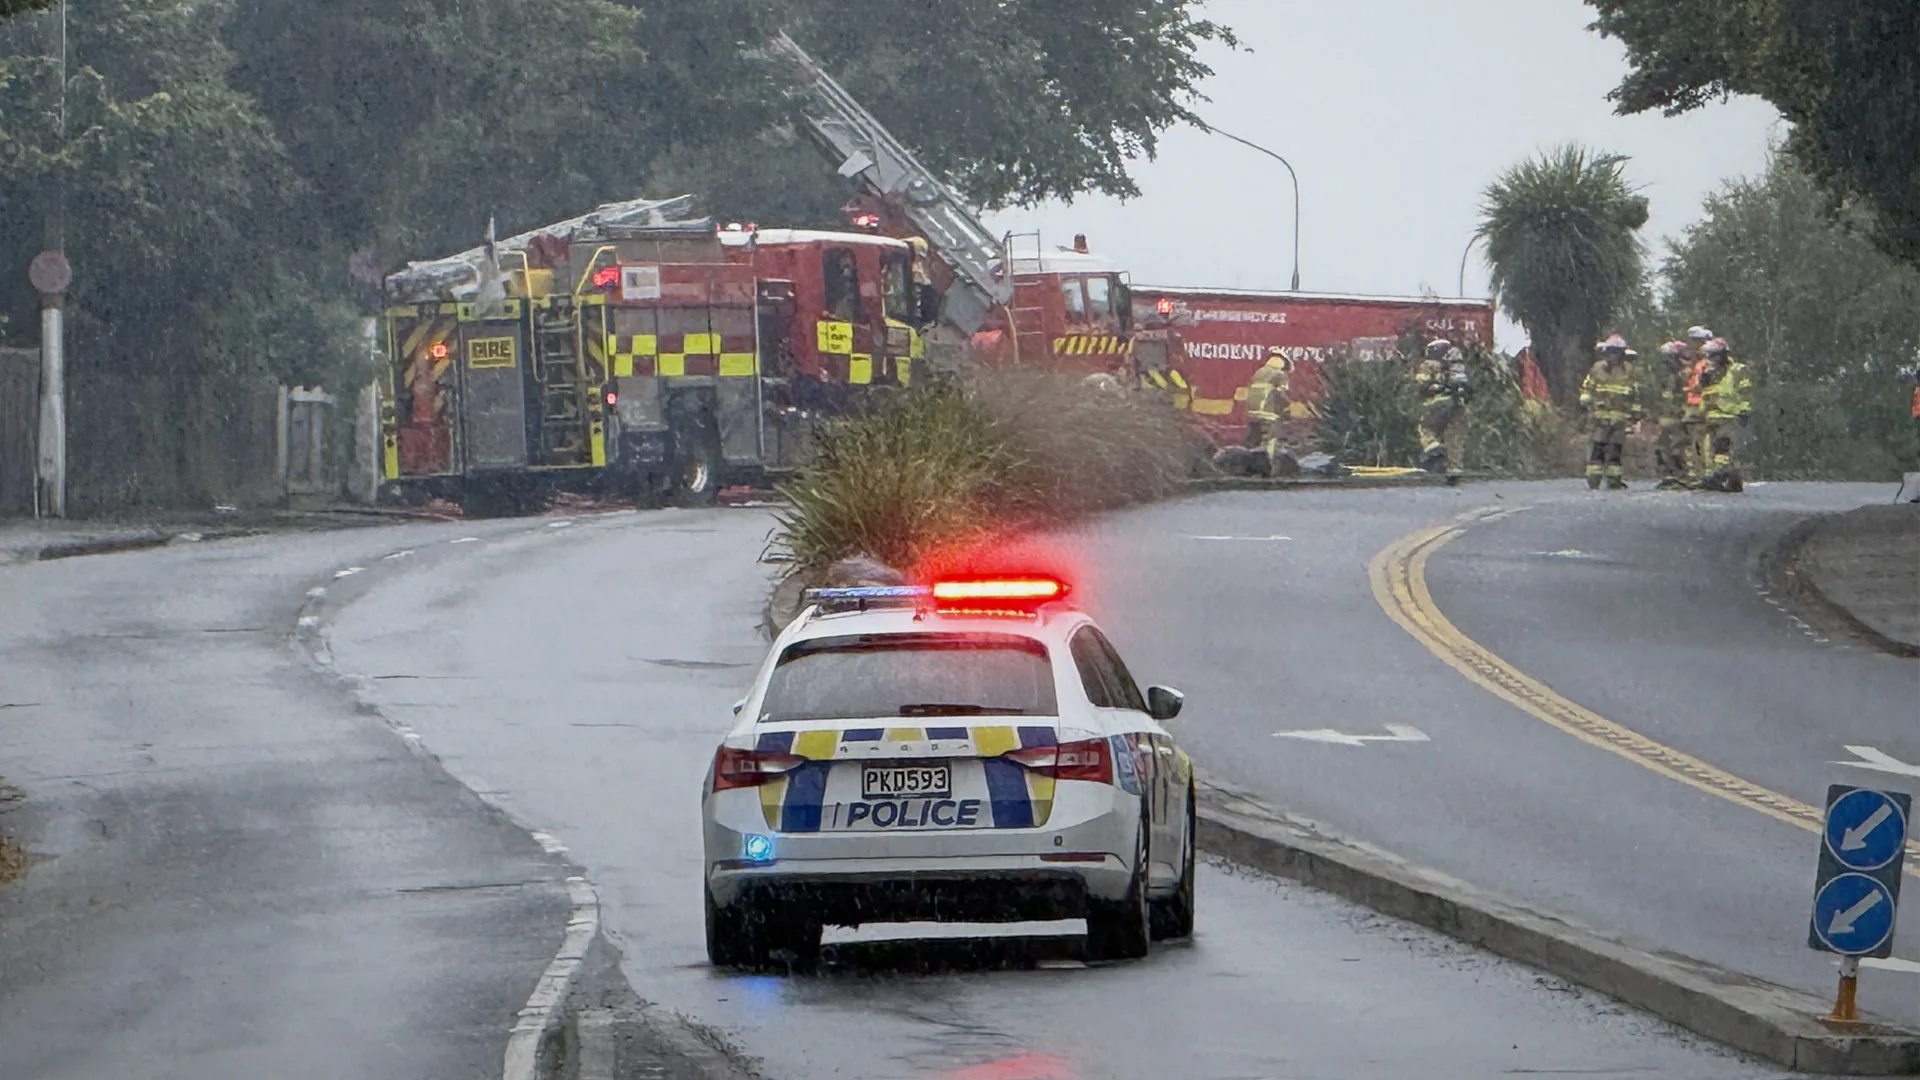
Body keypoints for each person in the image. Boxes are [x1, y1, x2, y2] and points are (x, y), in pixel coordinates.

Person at [1692, 337, 1752, 492]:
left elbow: (1745, 391)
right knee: (1707, 447)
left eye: (1715, 355)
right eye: (1709, 355)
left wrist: (1744, 409)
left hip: (1729, 414)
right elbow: (1696, 391)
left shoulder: (1737, 370)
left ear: (1724, 355)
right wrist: (1703, 381)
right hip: (1710, 414)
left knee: (1722, 443)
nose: (1711, 359)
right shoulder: (1706, 371)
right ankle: (1716, 476)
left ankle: (1722, 474)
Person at [1580, 335, 1640, 490]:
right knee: (1598, 446)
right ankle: (1594, 478)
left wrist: (1635, 413)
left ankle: (1614, 479)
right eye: (1612, 352)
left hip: (1620, 416)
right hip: (1600, 415)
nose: (1614, 356)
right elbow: (1588, 387)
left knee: (1615, 448)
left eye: (1618, 352)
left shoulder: (1630, 371)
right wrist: (1587, 400)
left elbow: (1635, 393)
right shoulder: (1598, 368)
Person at [1413, 339, 1471, 473]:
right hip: (1457, 404)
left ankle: (1435, 451)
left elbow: (1420, 383)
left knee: (1425, 427)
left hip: (1436, 402)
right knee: (1454, 437)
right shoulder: (1456, 367)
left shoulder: (1428, 365)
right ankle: (1454, 469)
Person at [1242, 350, 1297, 474]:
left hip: (1254, 412)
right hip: (1270, 412)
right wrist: (1287, 411)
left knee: (1255, 440)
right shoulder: (1279, 375)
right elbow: (1283, 395)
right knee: (1270, 441)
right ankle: (1268, 468)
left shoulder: (1259, 372)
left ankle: (1251, 467)